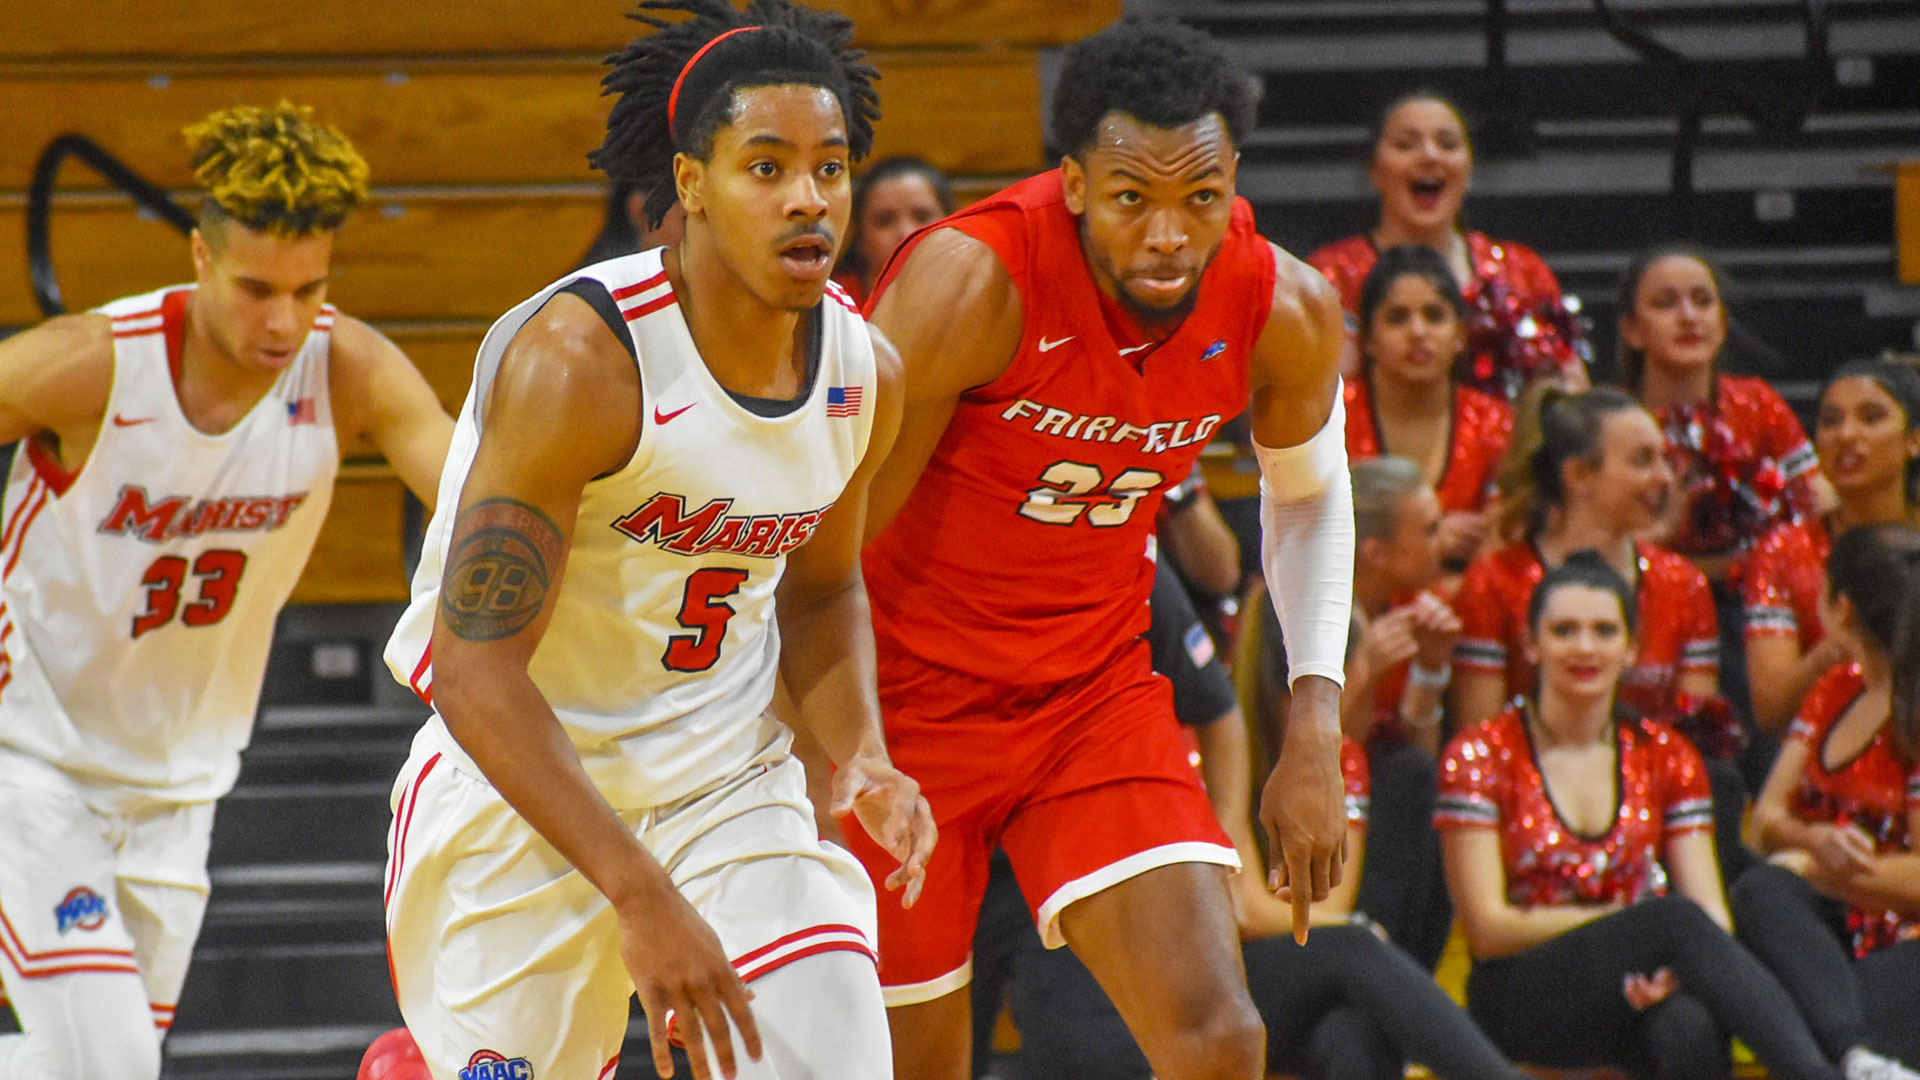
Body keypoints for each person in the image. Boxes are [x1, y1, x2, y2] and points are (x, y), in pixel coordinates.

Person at [378, 5, 936, 1079]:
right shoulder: (581, 365)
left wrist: (857, 748)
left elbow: (820, 592)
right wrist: (641, 895)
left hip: (724, 780)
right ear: (689, 186)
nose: (808, 198)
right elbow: (476, 670)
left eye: (830, 167)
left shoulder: (866, 374)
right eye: (765, 168)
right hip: (525, 789)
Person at [853, 18, 1354, 1080]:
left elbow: (1309, 503)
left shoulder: (1283, 305)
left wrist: (1313, 720)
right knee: (913, 1065)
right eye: (1134, 199)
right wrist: (819, 735)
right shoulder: (966, 285)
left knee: (1220, 1038)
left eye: (1201, 199)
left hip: (1090, 697)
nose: (1171, 235)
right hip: (904, 702)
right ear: (1075, 184)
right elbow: (831, 540)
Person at [0, 101, 453, 1080]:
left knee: (86, 1064)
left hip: (181, 784)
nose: (283, 320)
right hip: (29, 763)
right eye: (256, 288)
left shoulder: (350, 371)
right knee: (106, 1062)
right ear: (198, 259)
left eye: (309, 288)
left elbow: (480, 495)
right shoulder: (90, 367)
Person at [1437, 553, 1848, 1080]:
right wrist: (1639, 929)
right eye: (1564, 630)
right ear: (1531, 644)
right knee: (1673, 919)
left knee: (1688, 1023)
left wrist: (1674, 968)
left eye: (1604, 631)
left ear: (1630, 647)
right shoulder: (1478, 753)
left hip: (1636, 980)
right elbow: (1488, 927)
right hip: (1522, 992)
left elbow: (1711, 917)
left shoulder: (1666, 754)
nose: (1585, 647)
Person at [1734, 522, 1920, 1076]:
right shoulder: (1834, 688)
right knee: (1759, 889)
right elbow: (1762, 822)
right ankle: (1857, 1057)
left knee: (1813, 1009)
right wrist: (1815, 839)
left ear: (1839, 607)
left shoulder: (1914, 713)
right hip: (1822, 929)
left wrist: (1817, 868)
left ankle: (1850, 1055)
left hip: (1903, 940)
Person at [1452, 387, 1717, 727]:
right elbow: (1479, 736)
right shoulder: (1496, 582)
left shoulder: (1683, 584)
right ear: (1578, 475)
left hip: (1645, 776)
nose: (1665, 477)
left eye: (1665, 459)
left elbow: (1693, 738)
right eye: (1642, 460)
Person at [1308, 93, 1586, 400]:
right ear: (1374, 170)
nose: (1430, 156)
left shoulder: (1521, 271)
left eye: (1448, 143)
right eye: (1406, 144)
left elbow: (1571, 398)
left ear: (1469, 169)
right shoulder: (1330, 275)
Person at [1617, 246, 1820, 583]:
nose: (1688, 317)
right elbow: (1591, 545)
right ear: (1632, 330)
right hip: (1643, 591)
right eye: (1666, 303)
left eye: (1702, 301)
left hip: (1755, 591)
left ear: (1723, 323)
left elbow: (1818, 502)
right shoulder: (1612, 418)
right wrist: (1662, 533)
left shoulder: (1758, 403)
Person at [1745, 359, 1920, 735]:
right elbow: (1771, 712)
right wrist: (1838, 647)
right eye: (1831, 421)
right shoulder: (1783, 550)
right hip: (1825, 751)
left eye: (1871, 418)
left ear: (1914, 440)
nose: (1846, 434)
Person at [1336, 457, 1460, 969]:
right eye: (1430, 531)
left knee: (1428, 779)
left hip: (1376, 798)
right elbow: (1312, 755)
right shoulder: (1305, 615)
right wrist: (1364, 677)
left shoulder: (1400, 606)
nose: (1444, 544)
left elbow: (1420, 748)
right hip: (1314, 811)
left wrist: (1431, 670)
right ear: (1377, 552)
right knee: (1409, 777)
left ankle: (1414, 975)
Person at [1343, 244, 1513, 570]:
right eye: (1397, 318)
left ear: (1461, 334)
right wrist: (1431, 540)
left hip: (1464, 600)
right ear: (1368, 340)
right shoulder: (1332, 419)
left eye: (1434, 316)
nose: (1418, 333)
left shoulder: (1497, 424)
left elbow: (1506, 546)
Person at [831, 156, 954, 308]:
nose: (906, 233)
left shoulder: (976, 293)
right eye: (885, 221)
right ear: (860, 237)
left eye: (922, 216)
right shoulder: (832, 305)